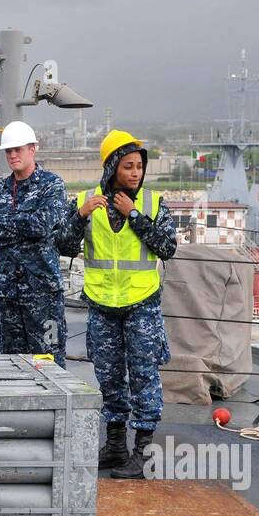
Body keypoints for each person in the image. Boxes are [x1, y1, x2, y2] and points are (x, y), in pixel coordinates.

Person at [55, 130, 177, 479]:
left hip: (141, 304)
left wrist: (135, 215)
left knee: (143, 376)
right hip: (102, 304)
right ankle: (115, 446)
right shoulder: (87, 200)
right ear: (111, 168)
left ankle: (144, 453)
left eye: (139, 166)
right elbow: (63, 245)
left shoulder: (152, 204)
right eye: (128, 167)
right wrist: (79, 216)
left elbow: (168, 248)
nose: (136, 173)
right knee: (108, 377)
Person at [0, 121, 68, 368]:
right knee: (11, 363)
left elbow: (42, 224)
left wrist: (4, 225)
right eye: (9, 151)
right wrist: (24, 226)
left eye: (18, 149)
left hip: (43, 294)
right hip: (7, 294)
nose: (13, 155)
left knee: (50, 361)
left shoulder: (51, 185)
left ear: (32, 149)